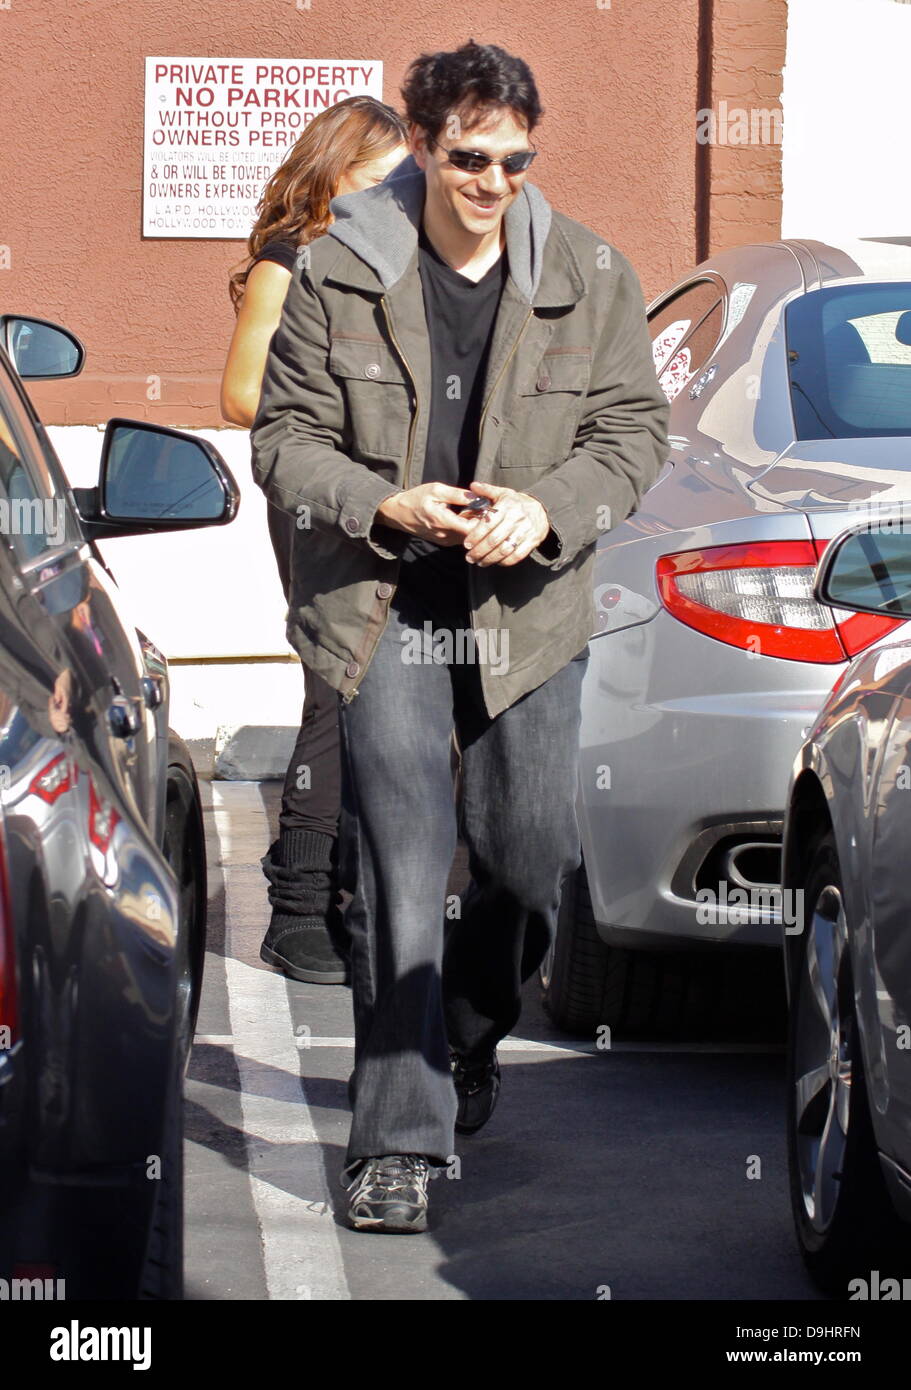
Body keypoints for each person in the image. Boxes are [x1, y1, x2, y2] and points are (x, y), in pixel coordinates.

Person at [251, 40, 670, 1232]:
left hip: (524, 611)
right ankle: (396, 1141)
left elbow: (632, 432)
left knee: (526, 857)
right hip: (383, 601)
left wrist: (551, 508)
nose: (492, 181)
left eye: (514, 159)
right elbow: (280, 440)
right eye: (469, 158)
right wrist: (379, 501)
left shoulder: (588, 272)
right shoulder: (339, 266)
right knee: (398, 861)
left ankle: (470, 1029)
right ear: (423, 149)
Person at [221, 97, 408, 984]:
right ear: (331, 173)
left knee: (398, 690)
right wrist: (346, 441)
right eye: (377, 180)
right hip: (318, 497)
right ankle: (296, 908)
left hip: (397, 501)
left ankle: (356, 897)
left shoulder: (396, 263)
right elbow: (242, 394)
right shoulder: (288, 261)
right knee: (337, 682)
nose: (395, 197)